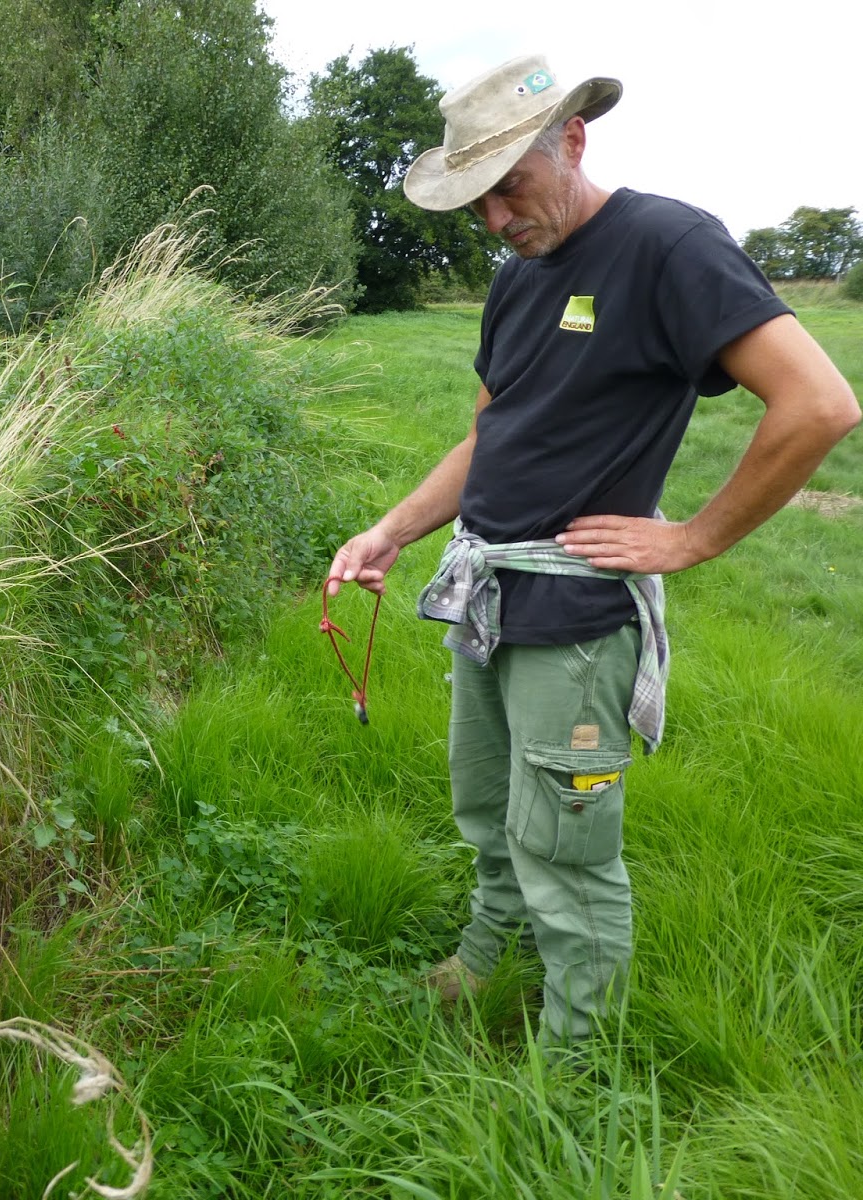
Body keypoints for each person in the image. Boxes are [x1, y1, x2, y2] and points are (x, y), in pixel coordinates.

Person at [325, 54, 860, 1045]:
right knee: (488, 810)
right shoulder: (518, 280)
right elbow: (492, 431)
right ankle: (486, 958)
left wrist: (693, 538)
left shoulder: (667, 245)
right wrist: (390, 531)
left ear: (571, 141)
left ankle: (574, 1074)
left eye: (508, 190)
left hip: (574, 617)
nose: (494, 222)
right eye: (474, 203)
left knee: (566, 850)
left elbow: (820, 404)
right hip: (489, 601)